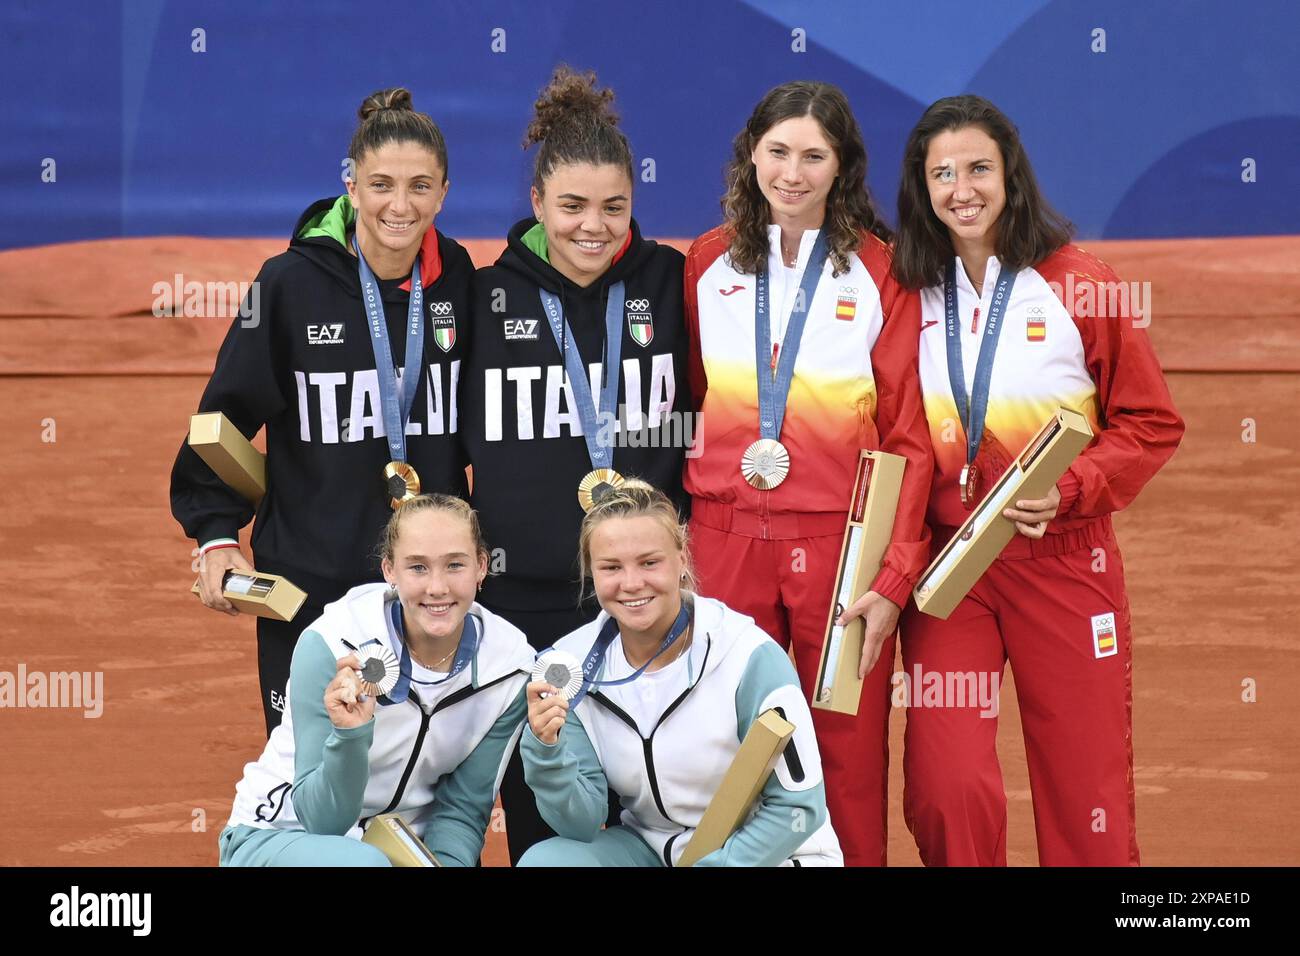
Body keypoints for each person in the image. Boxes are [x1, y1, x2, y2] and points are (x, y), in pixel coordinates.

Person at [890, 94, 1185, 866]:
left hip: (1064, 561)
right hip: (953, 569)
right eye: (942, 173)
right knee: (944, 782)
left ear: (1011, 174)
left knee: (1084, 790)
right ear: (921, 189)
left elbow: (1150, 423)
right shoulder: (907, 291)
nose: (962, 189)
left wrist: (1074, 488)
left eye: (979, 168)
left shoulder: (1081, 285)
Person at [682, 81, 933, 866]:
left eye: (813, 156)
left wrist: (893, 573)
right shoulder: (706, 262)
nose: (792, 173)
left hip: (841, 547)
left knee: (847, 753)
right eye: (778, 152)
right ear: (751, 153)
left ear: (842, 166)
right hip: (724, 540)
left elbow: (909, 437)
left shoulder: (883, 272)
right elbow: (695, 400)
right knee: (724, 738)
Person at [171, 88, 474, 736]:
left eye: (420, 186)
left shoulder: (460, 283)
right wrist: (216, 535)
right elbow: (220, 419)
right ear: (351, 185)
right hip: (308, 590)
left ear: (444, 191)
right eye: (381, 184)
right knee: (314, 785)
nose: (401, 204)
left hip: (427, 594)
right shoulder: (288, 284)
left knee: (417, 783)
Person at [460, 66, 690, 861]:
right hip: (527, 599)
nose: (594, 227)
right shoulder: (484, 299)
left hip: (645, 595)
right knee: (545, 804)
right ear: (536, 204)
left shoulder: (671, 283)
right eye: (572, 207)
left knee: (649, 795)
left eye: (614, 207)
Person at [518, 480, 841, 866]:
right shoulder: (567, 665)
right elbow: (582, 824)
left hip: (769, 853)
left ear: (682, 558)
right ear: (592, 571)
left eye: (649, 562)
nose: (632, 583)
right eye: (611, 567)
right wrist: (546, 751)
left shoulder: (749, 656)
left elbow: (798, 811)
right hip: (652, 850)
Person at [217, 494, 532, 866]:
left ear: (481, 567)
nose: (437, 587)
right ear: (389, 571)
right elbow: (322, 820)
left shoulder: (509, 667)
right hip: (284, 833)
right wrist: (350, 736)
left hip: (400, 847)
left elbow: (464, 808)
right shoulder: (331, 643)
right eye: (417, 567)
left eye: (455, 565)